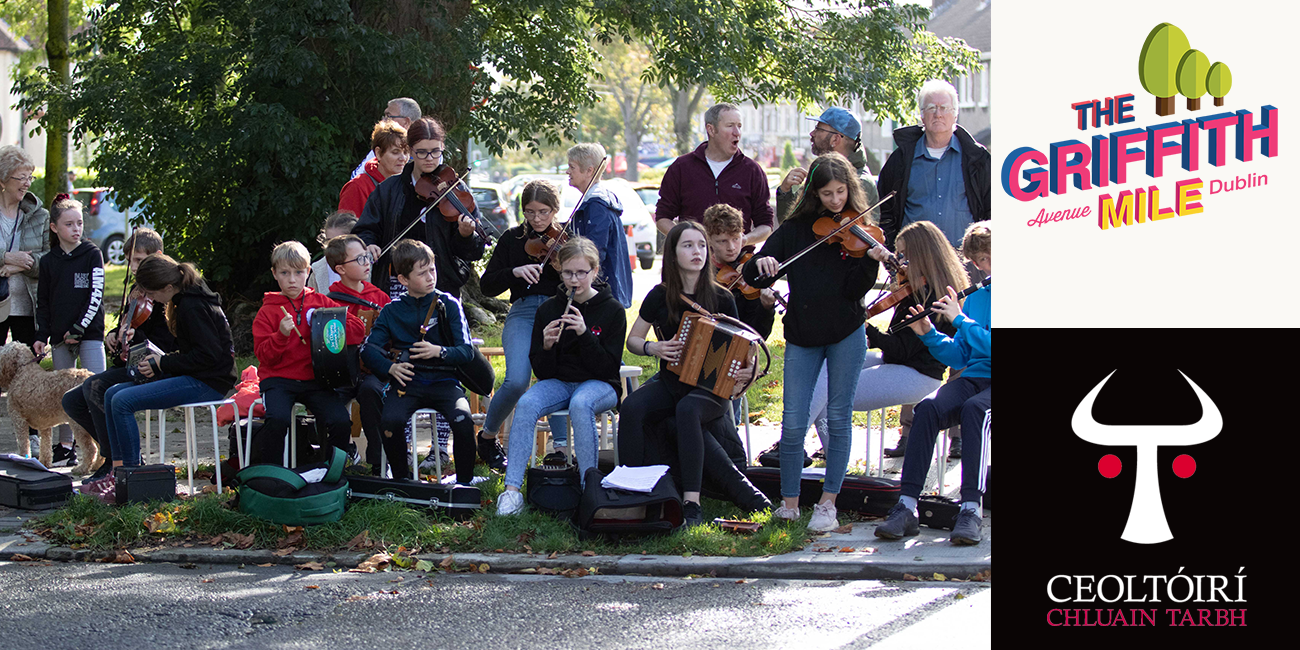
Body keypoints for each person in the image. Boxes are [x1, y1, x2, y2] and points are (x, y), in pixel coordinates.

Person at [744, 152, 881, 532]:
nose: (835, 201)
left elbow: (855, 290)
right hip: (803, 333)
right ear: (814, 194)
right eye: (826, 193)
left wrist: (870, 260)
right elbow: (752, 274)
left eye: (841, 192)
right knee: (792, 421)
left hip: (846, 333)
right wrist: (762, 266)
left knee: (838, 417)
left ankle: (828, 502)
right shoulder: (793, 231)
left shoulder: (859, 230)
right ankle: (789, 503)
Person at [620, 222, 761, 528]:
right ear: (672, 254)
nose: (697, 251)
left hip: (710, 391)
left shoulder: (722, 298)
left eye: (701, 245)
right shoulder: (659, 296)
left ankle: (691, 502)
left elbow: (742, 348)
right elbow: (633, 340)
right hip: (671, 382)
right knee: (631, 407)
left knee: (688, 409)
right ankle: (633, 490)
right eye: (687, 245)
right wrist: (653, 348)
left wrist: (747, 369)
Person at [77, 254, 238, 502]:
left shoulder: (192, 306)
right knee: (111, 393)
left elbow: (207, 357)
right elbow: (193, 353)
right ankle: (117, 472)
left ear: (168, 287)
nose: (149, 297)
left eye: (150, 292)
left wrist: (163, 362)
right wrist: (161, 363)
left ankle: (131, 479)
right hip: (198, 375)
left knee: (122, 401)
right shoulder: (185, 296)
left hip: (209, 383)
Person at [804, 221, 967, 453]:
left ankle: (808, 447)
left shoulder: (934, 297)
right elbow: (895, 345)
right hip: (896, 363)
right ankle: (828, 454)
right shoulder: (914, 289)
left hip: (917, 375)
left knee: (832, 390)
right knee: (825, 368)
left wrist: (866, 327)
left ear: (923, 257)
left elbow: (901, 350)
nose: (898, 263)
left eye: (904, 258)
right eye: (898, 256)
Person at [876, 221, 990, 546]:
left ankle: (970, 509)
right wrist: (930, 334)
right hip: (975, 376)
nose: (982, 268)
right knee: (927, 409)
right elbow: (960, 356)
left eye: (987, 260)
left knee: (975, 411)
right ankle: (907, 506)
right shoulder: (979, 297)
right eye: (979, 262)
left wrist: (960, 320)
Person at [497, 237, 628, 514]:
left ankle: (588, 487)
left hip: (600, 384)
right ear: (560, 271)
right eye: (568, 273)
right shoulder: (548, 309)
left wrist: (583, 334)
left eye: (582, 273)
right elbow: (543, 372)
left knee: (581, 404)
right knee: (527, 403)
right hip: (559, 382)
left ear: (594, 271)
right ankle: (511, 492)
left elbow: (607, 368)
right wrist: (545, 347)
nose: (575, 280)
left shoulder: (612, 310)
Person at [359, 239, 483, 483]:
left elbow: (467, 352)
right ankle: (402, 481)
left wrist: (439, 351)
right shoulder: (392, 310)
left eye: (432, 269)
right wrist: (391, 368)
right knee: (390, 422)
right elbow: (368, 351)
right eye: (422, 272)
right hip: (408, 383)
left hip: (445, 380)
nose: (430, 277)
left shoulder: (449, 304)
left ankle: (465, 483)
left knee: (463, 421)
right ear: (404, 280)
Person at [62, 228, 175, 484]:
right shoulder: (137, 291)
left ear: (157, 255)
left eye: (138, 259)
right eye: (130, 261)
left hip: (155, 366)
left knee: (95, 386)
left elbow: (167, 341)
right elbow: (127, 324)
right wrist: (114, 335)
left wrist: (134, 337)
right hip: (132, 364)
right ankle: (119, 455)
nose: (133, 266)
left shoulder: (165, 293)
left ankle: (116, 461)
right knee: (71, 401)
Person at [477, 179, 568, 468]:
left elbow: (591, 281)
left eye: (543, 212)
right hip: (524, 311)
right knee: (517, 380)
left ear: (555, 210)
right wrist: (514, 272)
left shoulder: (567, 239)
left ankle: (560, 450)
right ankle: (489, 437)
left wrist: (563, 270)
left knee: (554, 378)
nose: (537, 219)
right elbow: (487, 285)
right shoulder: (512, 239)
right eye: (530, 212)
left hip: (558, 313)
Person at [250, 241, 366, 464]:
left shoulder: (321, 301)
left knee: (340, 420)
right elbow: (264, 356)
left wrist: (326, 323)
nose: (292, 279)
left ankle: (334, 470)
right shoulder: (267, 311)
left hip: (316, 379)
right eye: (284, 273)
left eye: (298, 272)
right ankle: (270, 473)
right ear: (274, 274)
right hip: (279, 380)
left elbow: (358, 331)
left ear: (308, 271)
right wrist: (281, 335)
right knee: (278, 419)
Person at [354, 117, 487, 302]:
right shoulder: (389, 189)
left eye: (435, 152)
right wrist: (369, 243)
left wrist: (466, 236)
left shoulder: (457, 189)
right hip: (395, 282)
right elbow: (365, 230)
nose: (430, 158)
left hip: (439, 282)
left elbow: (473, 252)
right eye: (422, 152)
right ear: (410, 151)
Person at [33, 195, 107, 467]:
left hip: (88, 334)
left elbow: (96, 295)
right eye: (69, 224)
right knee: (63, 394)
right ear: (54, 228)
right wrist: (42, 336)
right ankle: (66, 446)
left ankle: (105, 446)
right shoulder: (48, 261)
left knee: (96, 388)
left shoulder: (92, 254)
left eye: (79, 223)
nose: (76, 229)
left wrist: (79, 328)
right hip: (60, 338)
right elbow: (43, 303)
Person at [877, 80, 990, 252]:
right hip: (914, 262)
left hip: (965, 263)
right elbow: (884, 212)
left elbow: (991, 209)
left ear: (955, 114)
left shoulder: (977, 159)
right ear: (922, 115)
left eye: (944, 108)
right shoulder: (901, 160)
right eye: (931, 108)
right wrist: (894, 257)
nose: (938, 114)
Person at [655, 103, 773, 247]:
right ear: (711, 129)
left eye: (739, 126)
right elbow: (662, 217)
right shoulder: (681, 167)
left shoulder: (752, 171)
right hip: (693, 262)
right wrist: (688, 241)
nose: (737, 132)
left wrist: (743, 241)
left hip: (738, 265)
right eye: (730, 126)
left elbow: (766, 225)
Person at [322, 234, 391, 473]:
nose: (366, 262)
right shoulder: (329, 301)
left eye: (366, 257)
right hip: (341, 372)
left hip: (372, 371)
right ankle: (337, 459)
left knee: (372, 391)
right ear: (340, 268)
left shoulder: (380, 298)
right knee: (328, 401)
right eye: (359, 259)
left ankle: (379, 461)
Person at [776, 107, 881, 225]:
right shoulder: (823, 171)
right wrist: (785, 191)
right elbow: (789, 227)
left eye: (818, 129)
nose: (812, 133)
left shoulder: (860, 182)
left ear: (835, 139)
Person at [565, 143, 633, 309]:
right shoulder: (596, 202)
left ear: (589, 170)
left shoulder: (597, 205)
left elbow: (593, 252)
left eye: (571, 167)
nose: (567, 171)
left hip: (602, 294)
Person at [701, 204, 775, 340]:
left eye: (736, 239)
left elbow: (758, 335)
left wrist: (766, 308)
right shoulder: (701, 272)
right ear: (708, 239)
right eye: (723, 241)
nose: (731, 247)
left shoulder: (751, 274)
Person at [338, 120, 409, 217]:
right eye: (395, 152)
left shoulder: (408, 185)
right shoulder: (357, 187)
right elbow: (346, 230)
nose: (403, 158)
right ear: (379, 153)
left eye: (406, 152)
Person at [350, 97, 420, 179]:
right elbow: (355, 178)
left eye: (389, 116)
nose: (383, 120)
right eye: (395, 152)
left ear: (406, 123)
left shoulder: (430, 151)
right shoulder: (382, 147)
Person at [310, 211, 359, 296]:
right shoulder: (318, 270)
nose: (334, 246)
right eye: (329, 241)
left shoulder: (367, 263)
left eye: (339, 240)